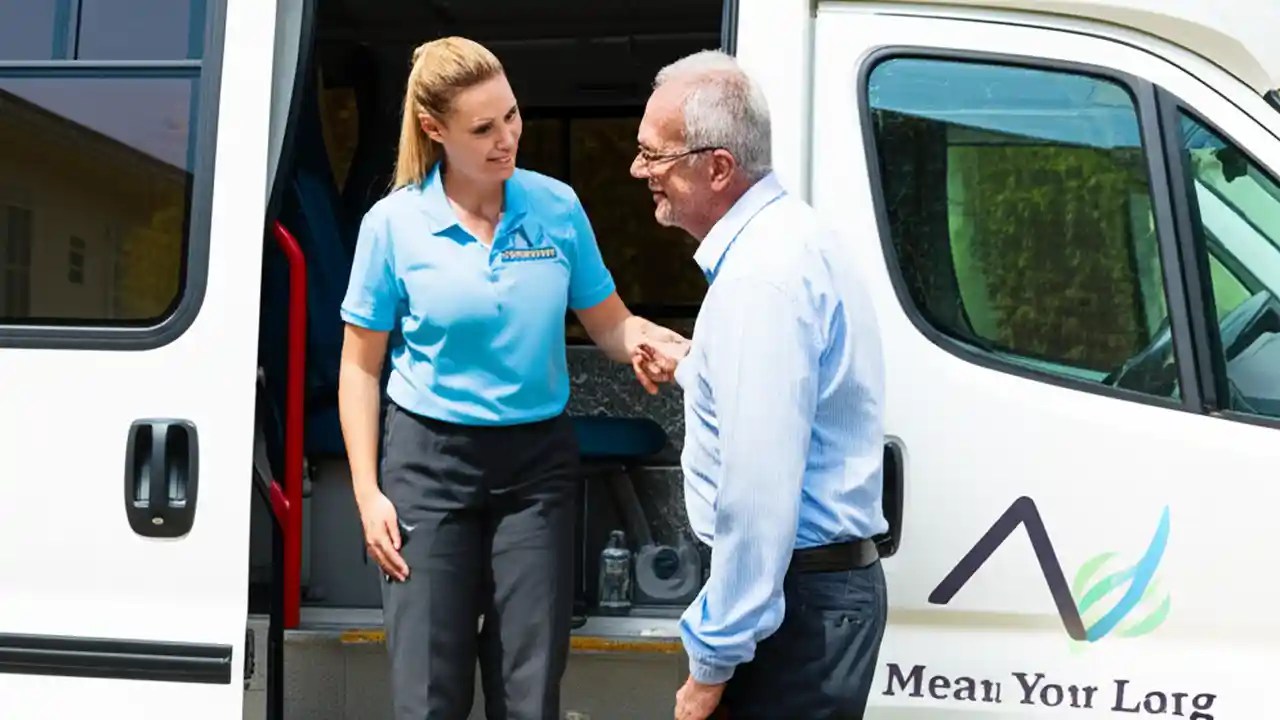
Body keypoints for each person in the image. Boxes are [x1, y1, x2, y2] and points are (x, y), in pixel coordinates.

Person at [337, 36, 687, 720]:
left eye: (513, 116)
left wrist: (660, 344)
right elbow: (359, 366)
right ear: (435, 131)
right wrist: (367, 493)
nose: (507, 138)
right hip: (426, 466)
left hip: (536, 469)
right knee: (428, 693)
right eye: (483, 127)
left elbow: (610, 324)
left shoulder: (555, 207)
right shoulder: (393, 226)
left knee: (529, 692)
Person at [629, 50, 890, 720]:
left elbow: (757, 492)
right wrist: (695, 367)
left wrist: (712, 662)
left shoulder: (759, 281)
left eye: (654, 155)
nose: (638, 171)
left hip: (792, 617)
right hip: (810, 601)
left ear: (716, 167)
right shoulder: (794, 241)